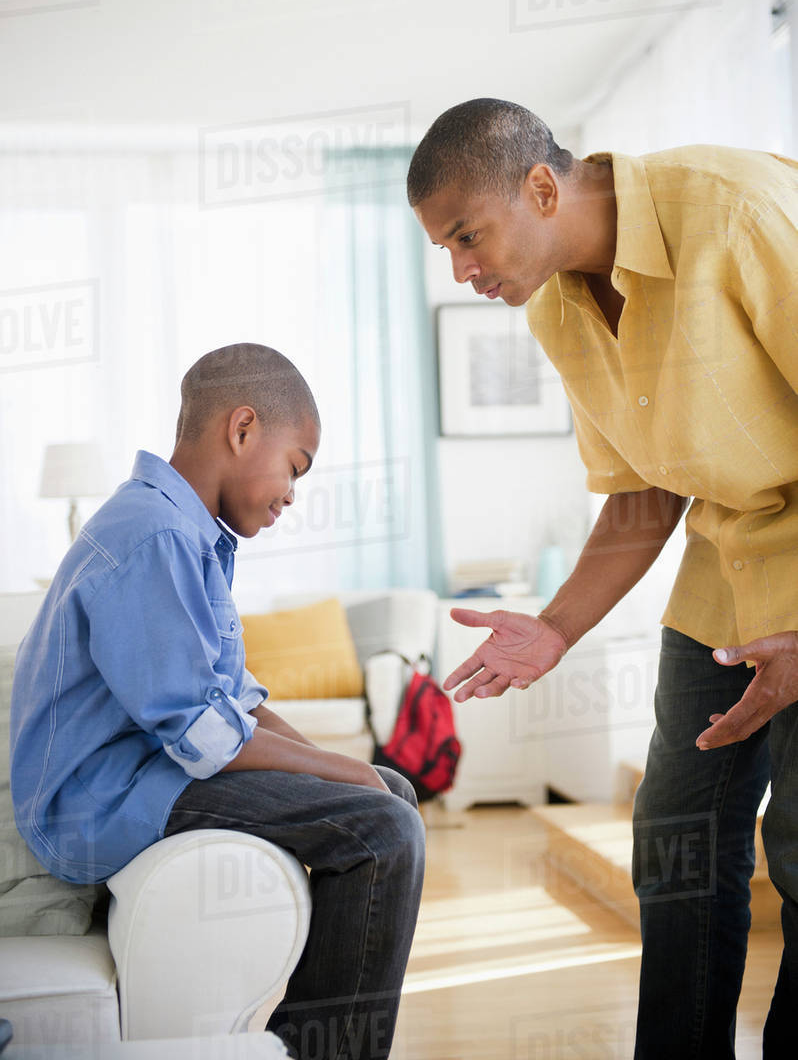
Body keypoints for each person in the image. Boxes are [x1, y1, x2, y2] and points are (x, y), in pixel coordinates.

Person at [407, 98, 798, 1059]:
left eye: (467, 235)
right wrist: (556, 628)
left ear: (541, 187)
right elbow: (640, 494)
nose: (460, 268)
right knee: (676, 845)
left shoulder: (739, 211)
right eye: (445, 247)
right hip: (723, 572)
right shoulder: (557, 307)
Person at [11, 342, 425, 1060]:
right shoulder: (153, 535)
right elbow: (202, 733)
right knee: (381, 831)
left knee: (388, 788)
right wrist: (343, 776)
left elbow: (235, 699)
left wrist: (338, 763)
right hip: (99, 800)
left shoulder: (189, 536)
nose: (292, 495)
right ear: (241, 431)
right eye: (294, 468)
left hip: (141, 774)